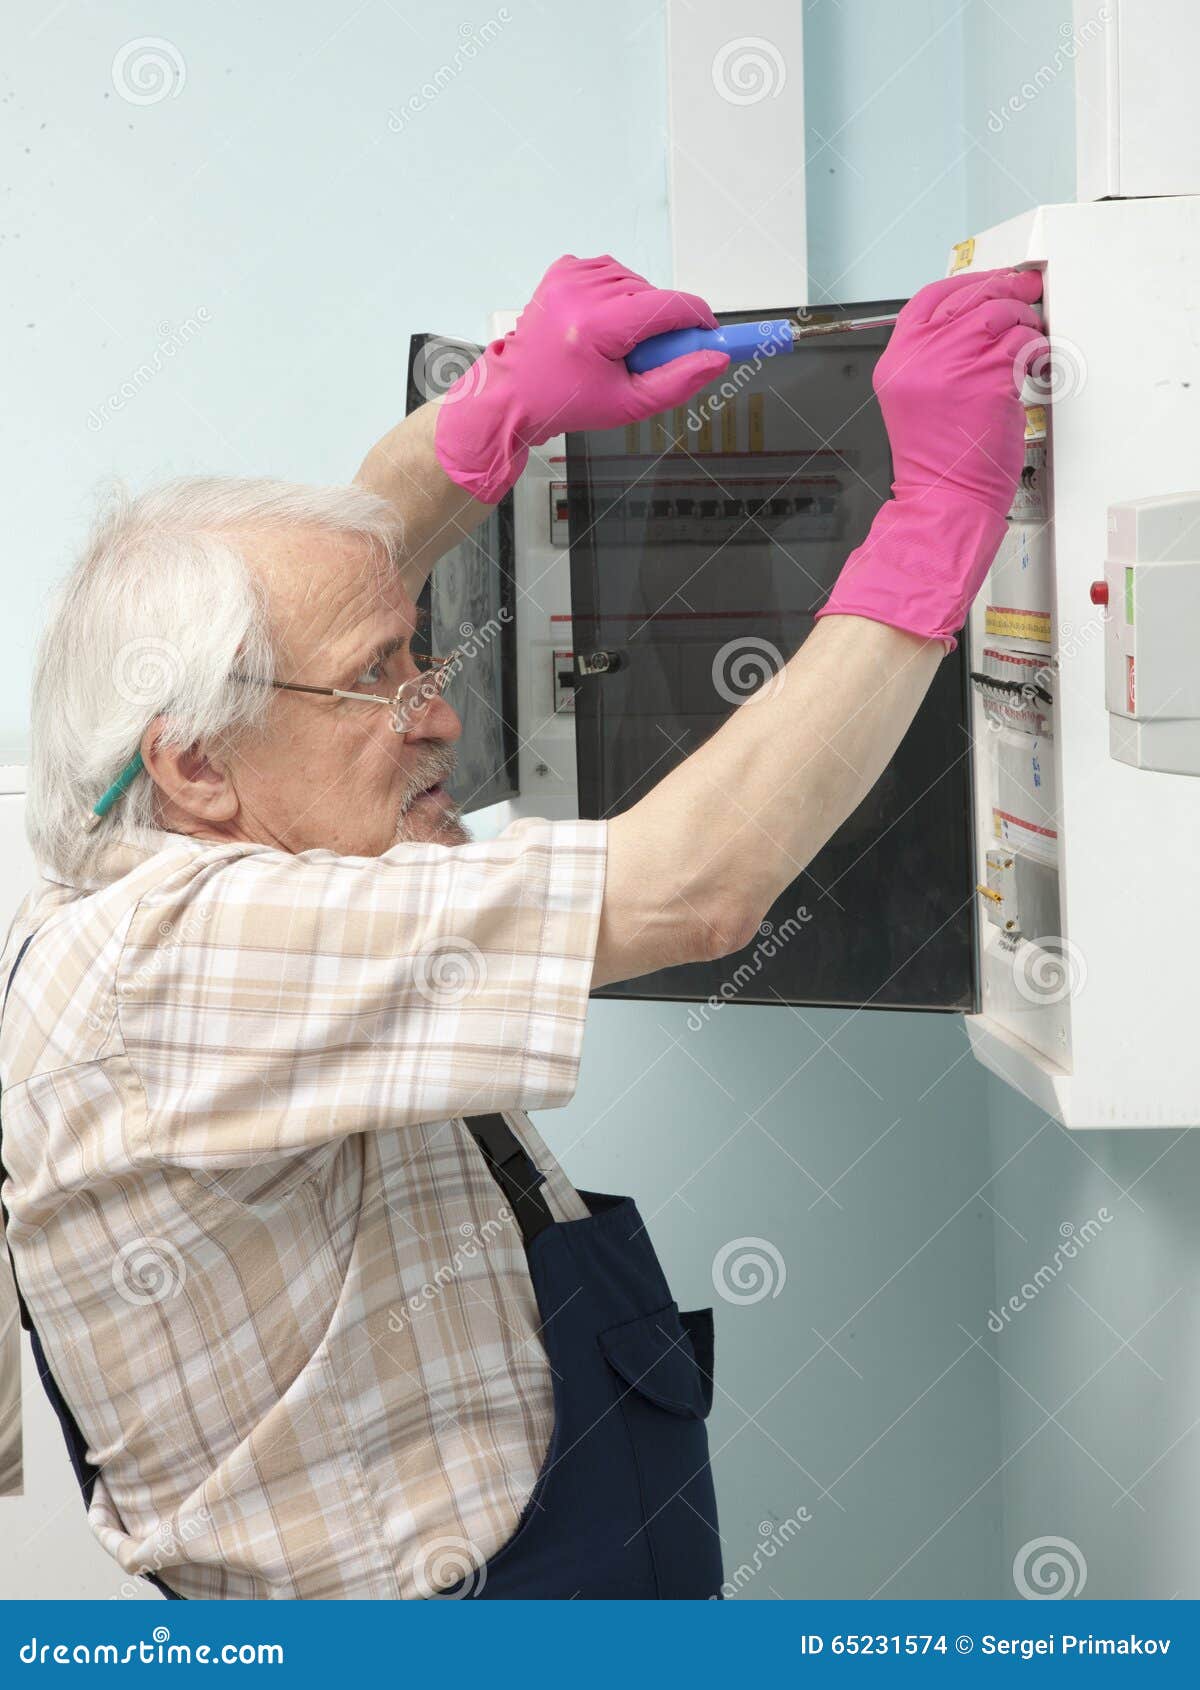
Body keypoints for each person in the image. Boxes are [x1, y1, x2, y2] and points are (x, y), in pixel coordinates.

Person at [0, 255, 1045, 1599]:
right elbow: (699, 881)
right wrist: (940, 514)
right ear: (197, 761)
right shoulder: (181, 961)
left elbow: (323, 592)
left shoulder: (114, 837)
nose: (436, 712)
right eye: (384, 678)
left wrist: (493, 413)